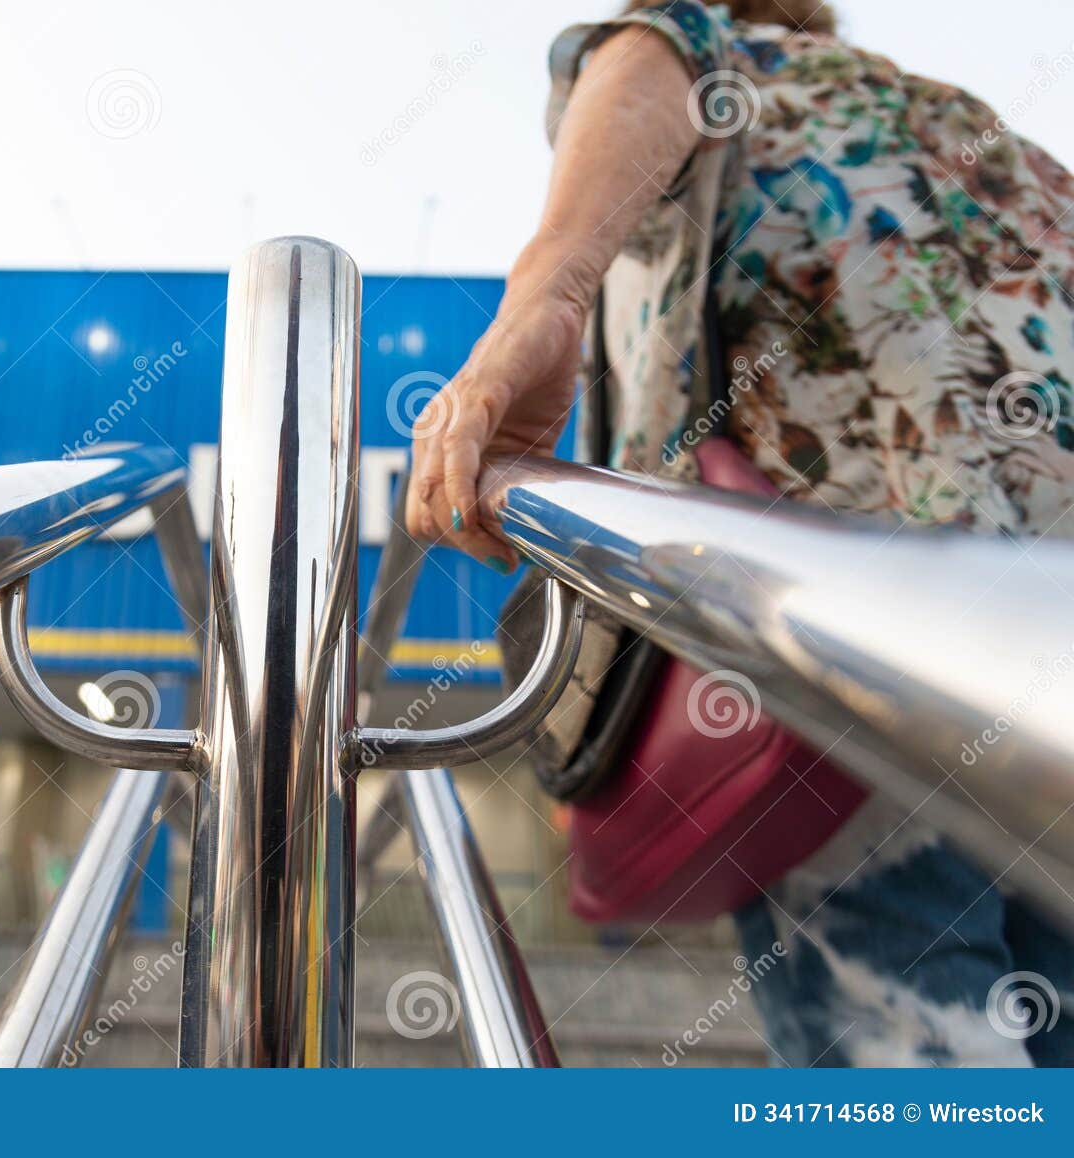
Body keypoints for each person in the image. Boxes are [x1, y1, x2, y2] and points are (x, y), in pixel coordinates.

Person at [406, 0, 1074, 1065]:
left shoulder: (713, 61)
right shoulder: (969, 131)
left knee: (913, 1068)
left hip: (850, 665)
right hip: (1038, 661)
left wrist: (549, 297)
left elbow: (654, 54)